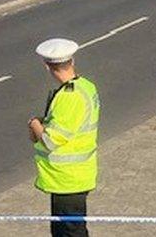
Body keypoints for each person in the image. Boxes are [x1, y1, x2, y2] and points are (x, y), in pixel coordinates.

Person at [28, 38, 100, 237]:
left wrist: (34, 123)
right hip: (76, 176)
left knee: (69, 233)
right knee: (70, 230)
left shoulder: (69, 97)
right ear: (72, 61)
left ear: (47, 66)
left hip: (67, 179)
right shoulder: (86, 86)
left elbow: (50, 140)